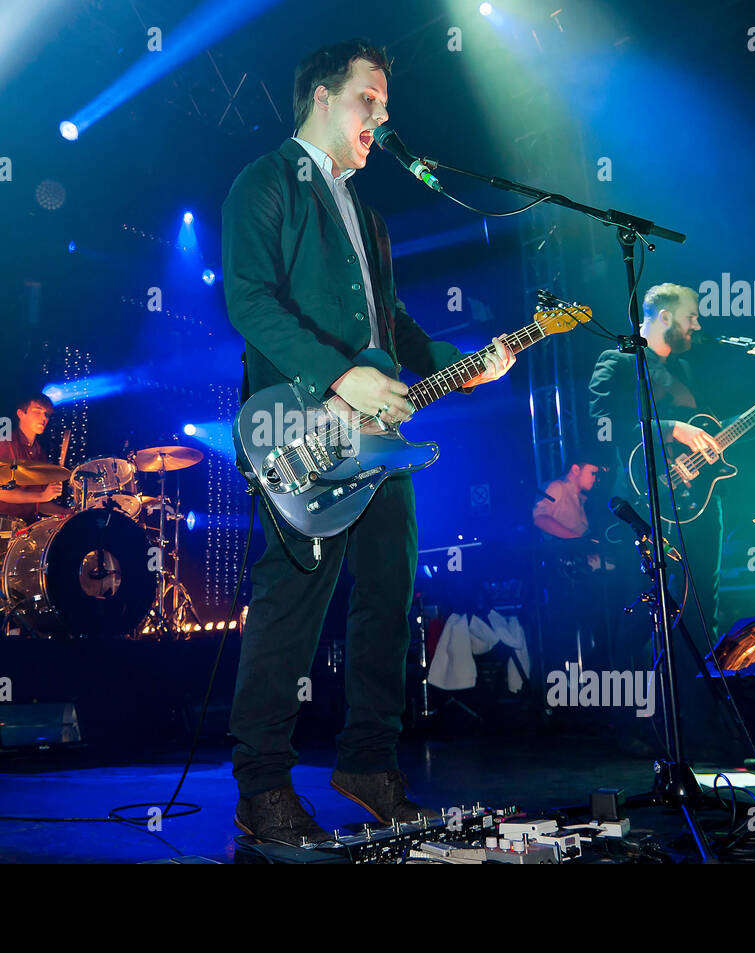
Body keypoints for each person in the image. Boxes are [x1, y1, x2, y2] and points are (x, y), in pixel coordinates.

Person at [222, 38, 515, 843]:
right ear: (322, 96)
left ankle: (369, 763)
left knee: (389, 595)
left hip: (379, 442)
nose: (381, 118)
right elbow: (249, 300)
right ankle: (262, 787)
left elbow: (398, 331)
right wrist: (335, 376)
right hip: (300, 428)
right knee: (291, 602)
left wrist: (467, 365)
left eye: (385, 105)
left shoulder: (370, 217)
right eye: (368, 101)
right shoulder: (265, 181)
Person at [588, 283, 724, 645]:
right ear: (664, 316)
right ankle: (648, 694)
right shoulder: (618, 361)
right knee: (656, 603)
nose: (696, 325)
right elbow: (599, 426)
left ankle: (704, 689)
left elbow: (704, 429)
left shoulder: (686, 369)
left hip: (698, 500)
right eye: (690, 317)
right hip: (644, 500)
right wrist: (670, 428)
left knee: (702, 603)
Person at [0, 395, 64, 522]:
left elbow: (38, 502)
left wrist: (68, 512)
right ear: (21, 414)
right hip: (0, 525)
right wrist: (43, 495)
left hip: (26, 525)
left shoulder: (39, 452)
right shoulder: (5, 444)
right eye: (37, 412)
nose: (44, 418)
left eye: (46, 414)